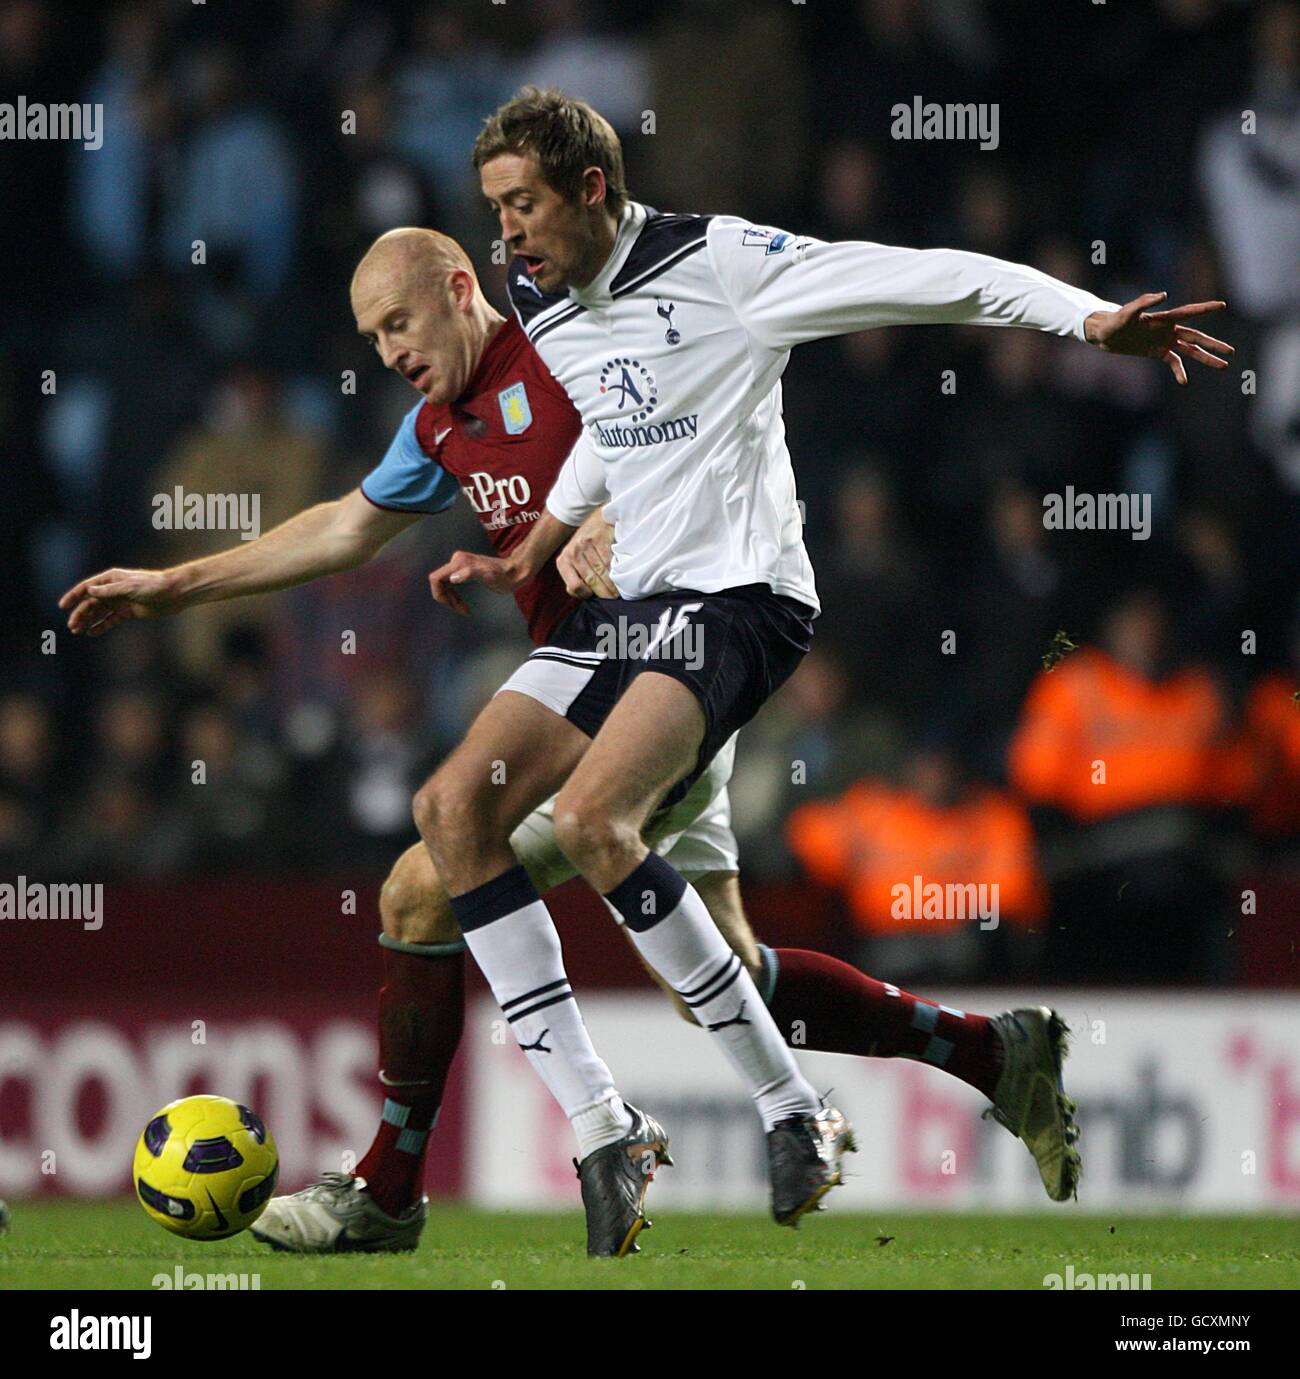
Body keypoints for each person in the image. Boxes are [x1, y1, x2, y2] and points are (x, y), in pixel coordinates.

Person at [421, 85, 1233, 1246]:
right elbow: (616, 407)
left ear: (592, 189)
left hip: (744, 602)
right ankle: (991, 1051)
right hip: (639, 614)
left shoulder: (727, 263)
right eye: (493, 206)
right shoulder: (539, 290)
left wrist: (1088, 321)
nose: (506, 230)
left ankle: (716, 1118)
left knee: (594, 824)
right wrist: (541, 541)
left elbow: (928, 271)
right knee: (616, 897)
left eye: (524, 203)